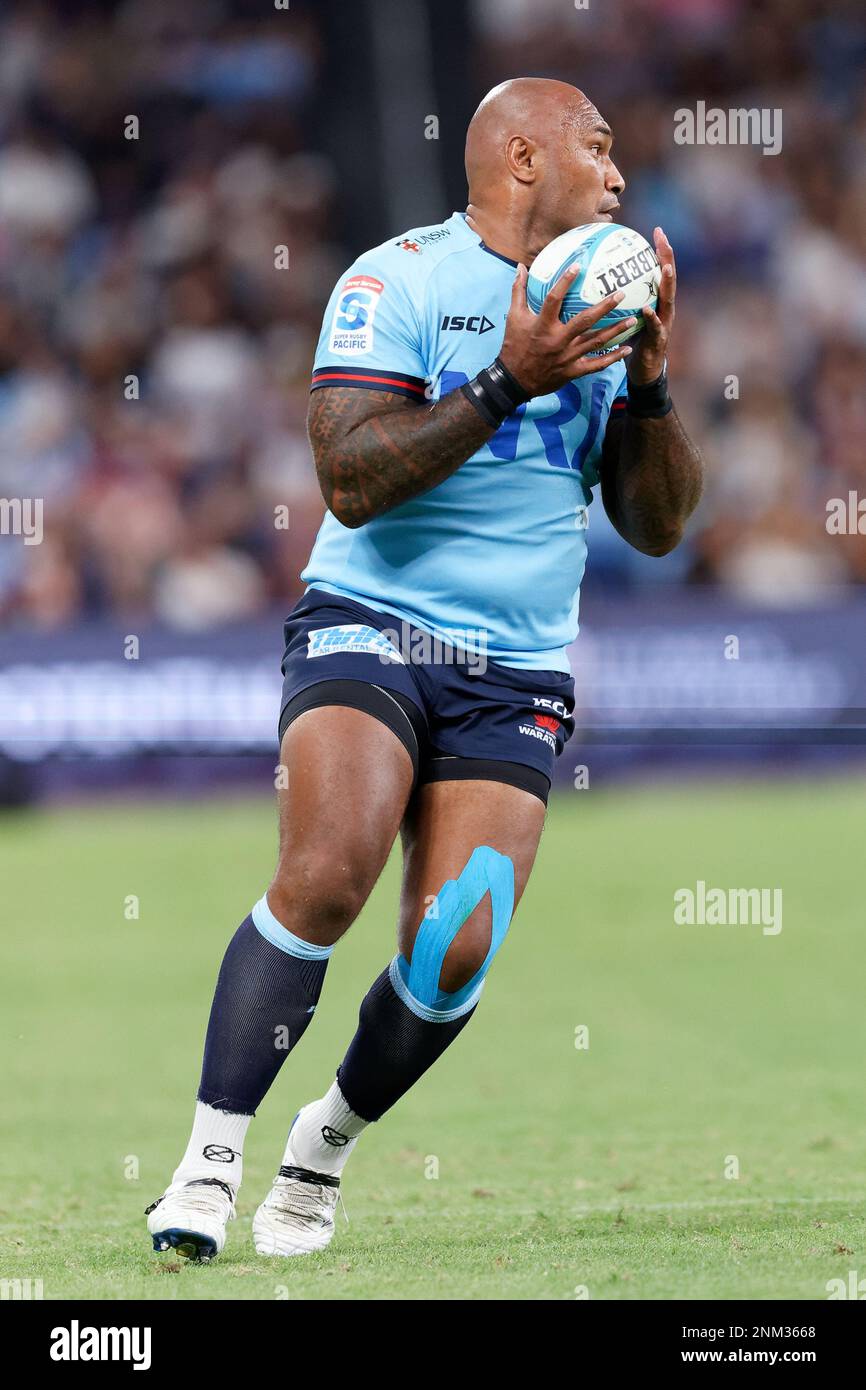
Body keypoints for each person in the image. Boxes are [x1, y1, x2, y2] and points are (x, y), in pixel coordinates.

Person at [146, 77, 702, 1261]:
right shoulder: (393, 278)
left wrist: (647, 379)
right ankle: (206, 1159)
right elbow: (348, 475)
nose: (615, 175)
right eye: (595, 150)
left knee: (455, 946)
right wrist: (509, 377)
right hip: (373, 618)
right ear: (514, 159)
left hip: (515, 664)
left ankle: (324, 1142)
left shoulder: (604, 309)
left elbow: (655, 527)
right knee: (331, 867)